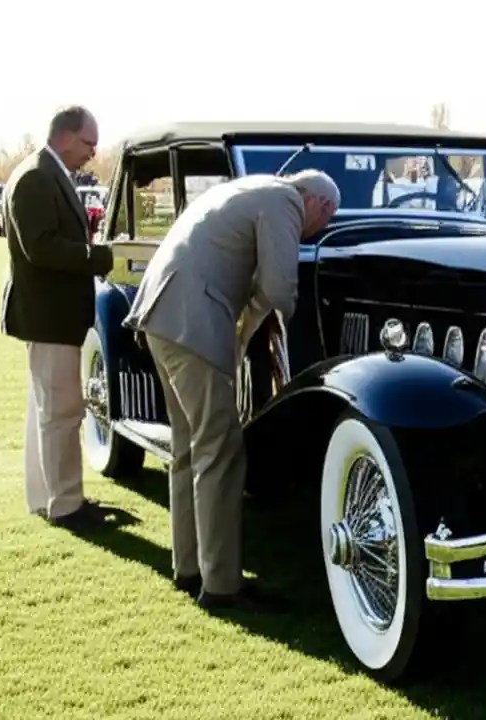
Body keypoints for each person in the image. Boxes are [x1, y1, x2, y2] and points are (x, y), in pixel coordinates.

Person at [121, 170, 340, 611]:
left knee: (188, 448)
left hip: (162, 317)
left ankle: (189, 567)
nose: (320, 228)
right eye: (327, 218)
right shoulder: (285, 203)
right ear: (318, 203)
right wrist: (264, 324)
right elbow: (279, 288)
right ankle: (221, 585)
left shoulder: (248, 189)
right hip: (193, 323)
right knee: (220, 449)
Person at [0, 104, 116, 528]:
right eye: (89, 143)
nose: (92, 152)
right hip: (49, 315)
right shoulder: (35, 176)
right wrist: (101, 257)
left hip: (50, 313)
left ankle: (47, 496)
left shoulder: (43, 172)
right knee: (61, 412)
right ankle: (66, 506)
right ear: (65, 136)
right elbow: (42, 247)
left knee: (45, 409)